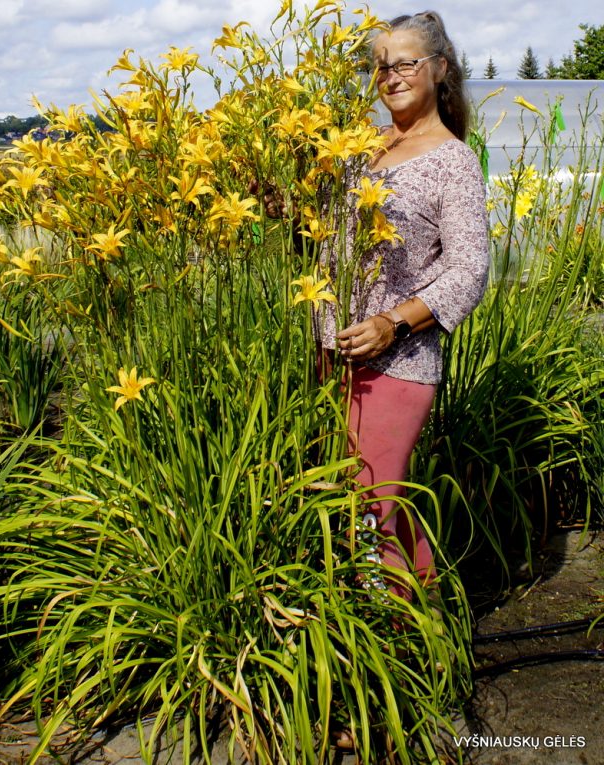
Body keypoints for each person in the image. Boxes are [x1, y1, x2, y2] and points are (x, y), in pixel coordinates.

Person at [261, 11, 489, 604]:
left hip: (397, 362)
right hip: (333, 353)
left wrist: (393, 324)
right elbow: (330, 241)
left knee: (372, 505)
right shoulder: (363, 146)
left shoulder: (453, 161)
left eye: (406, 63)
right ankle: (422, 624)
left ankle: (394, 629)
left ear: (440, 69)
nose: (391, 76)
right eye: (381, 66)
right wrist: (281, 204)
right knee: (369, 500)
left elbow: (470, 270)